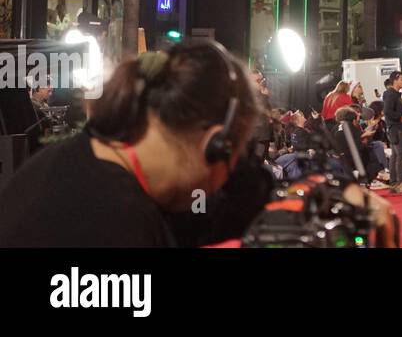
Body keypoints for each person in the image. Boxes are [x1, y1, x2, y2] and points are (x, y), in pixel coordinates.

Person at [0, 41, 280, 247]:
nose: (221, 183)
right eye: (233, 157)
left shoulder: (71, 159)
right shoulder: (119, 222)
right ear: (214, 144)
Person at [382, 73, 402, 195]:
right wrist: (400, 118)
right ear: (395, 80)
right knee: (400, 156)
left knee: (395, 156)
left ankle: (395, 183)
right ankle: (399, 183)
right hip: (396, 128)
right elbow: (387, 111)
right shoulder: (391, 94)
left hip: (395, 128)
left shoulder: (393, 94)